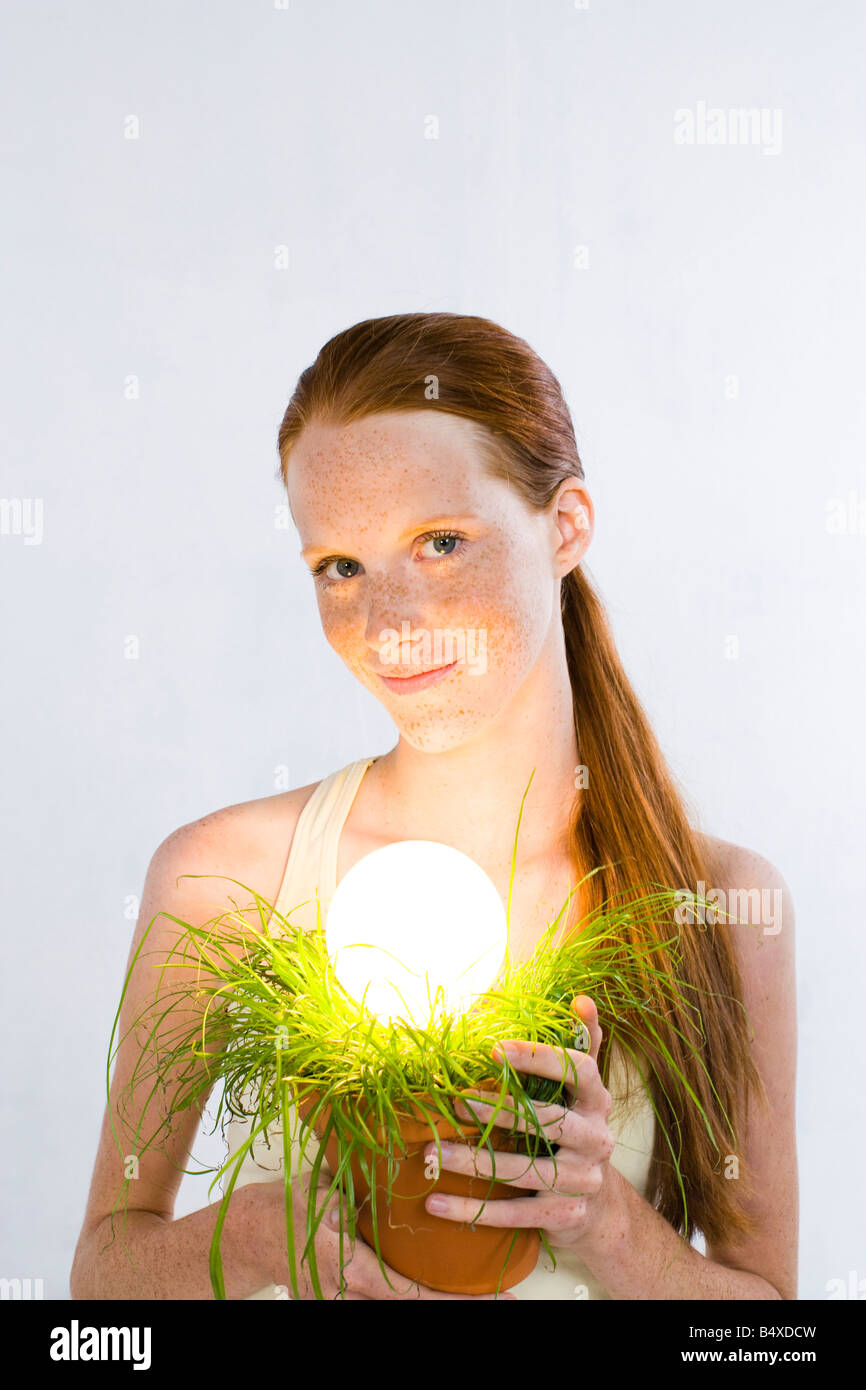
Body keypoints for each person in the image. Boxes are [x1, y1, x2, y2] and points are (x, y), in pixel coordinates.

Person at [70, 312, 797, 1301]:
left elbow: (769, 1336)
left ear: (565, 525)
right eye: (340, 566)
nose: (387, 624)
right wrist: (248, 1238)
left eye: (440, 542)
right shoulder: (223, 878)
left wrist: (607, 1226)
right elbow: (99, 1284)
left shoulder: (716, 902)